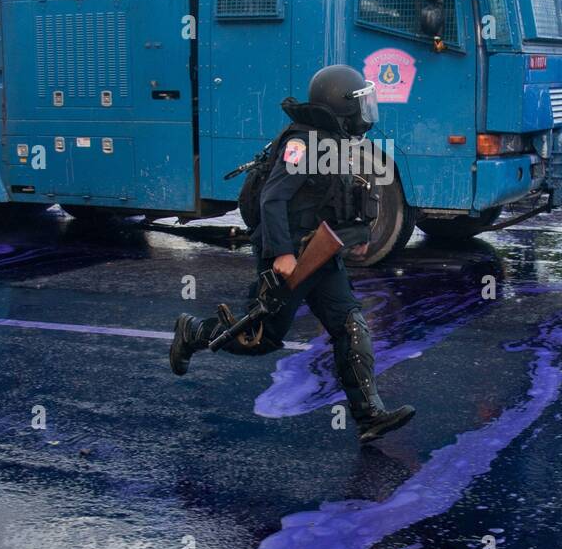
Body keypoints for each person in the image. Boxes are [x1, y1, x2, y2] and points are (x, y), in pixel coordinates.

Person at [168, 64, 416, 445]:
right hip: (289, 256)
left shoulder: (333, 138)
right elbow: (273, 199)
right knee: (260, 337)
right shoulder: (303, 142)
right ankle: (195, 332)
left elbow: (336, 198)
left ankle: (370, 415)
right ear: (340, 104)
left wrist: (356, 237)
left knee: (350, 324)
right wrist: (282, 254)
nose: (367, 111)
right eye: (361, 102)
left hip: (321, 251)